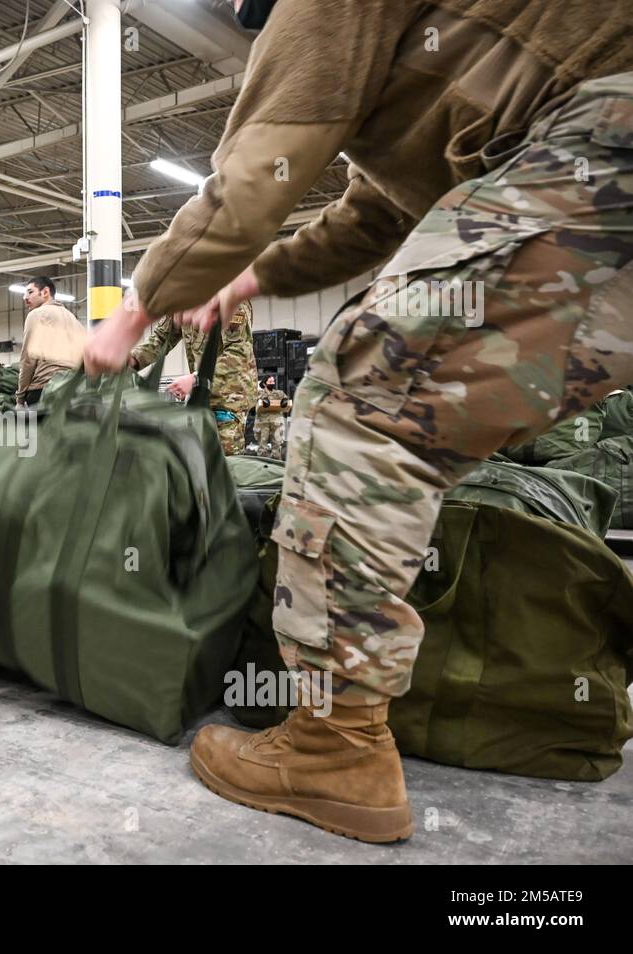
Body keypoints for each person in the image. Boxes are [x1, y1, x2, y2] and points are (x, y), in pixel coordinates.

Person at [84, 0, 633, 843]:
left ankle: (333, 747)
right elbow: (374, 213)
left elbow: (265, 161)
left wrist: (138, 306)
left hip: (599, 137)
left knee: (362, 402)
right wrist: (249, 278)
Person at [129, 300, 258, 454]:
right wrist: (131, 361)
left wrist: (197, 379)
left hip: (230, 394)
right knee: (200, 460)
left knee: (225, 460)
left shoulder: (230, 300)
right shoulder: (184, 297)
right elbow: (161, 338)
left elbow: (238, 354)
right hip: (202, 392)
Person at [17, 276, 85, 406]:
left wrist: (20, 397)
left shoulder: (37, 314)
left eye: (30, 292)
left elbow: (28, 359)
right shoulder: (72, 318)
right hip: (75, 390)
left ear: (45, 292)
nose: (25, 298)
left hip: (46, 389)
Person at [253, 375, 290, 458]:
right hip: (263, 422)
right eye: (270, 382)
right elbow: (255, 399)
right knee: (262, 445)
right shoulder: (260, 392)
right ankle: (262, 464)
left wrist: (285, 400)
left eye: (273, 381)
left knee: (277, 445)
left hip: (276, 422)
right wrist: (263, 399)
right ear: (265, 383)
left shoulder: (279, 393)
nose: (272, 383)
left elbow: (285, 398)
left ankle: (276, 463)